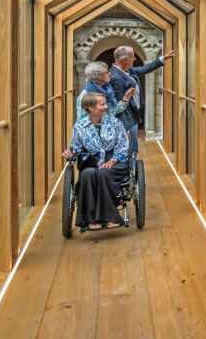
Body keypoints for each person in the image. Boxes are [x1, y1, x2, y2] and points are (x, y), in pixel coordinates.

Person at [62, 92, 130, 230]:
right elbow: (76, 149)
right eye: (102, 104)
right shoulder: (80, 126)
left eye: (105, 103)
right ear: (91, 108)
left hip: (116, 161)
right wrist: (70, 153)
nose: (106, 107)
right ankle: (91, 219)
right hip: (92, 162)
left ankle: (110, 216)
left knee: (104, 172)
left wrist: (112, 160)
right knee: (87, 175)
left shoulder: (115, 123)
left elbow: (123, 144)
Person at [109, 46, 175, 154]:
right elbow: (119, 106)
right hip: (128, 121)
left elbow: (145, 69)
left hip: (134, 118)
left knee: (133, 149)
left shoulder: (127, 70)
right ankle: (129, 169)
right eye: (132, 57)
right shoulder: (115, 77)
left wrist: (163, 58)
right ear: (123, 60)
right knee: (129, 150)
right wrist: (125, 129)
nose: (135, 59)